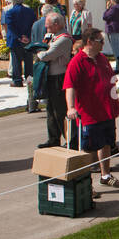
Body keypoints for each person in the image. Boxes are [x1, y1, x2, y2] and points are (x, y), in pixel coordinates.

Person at [64, 27, 119, 189]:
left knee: (106, 144)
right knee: (88, 149)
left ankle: (105, 175)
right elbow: (70, 86)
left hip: (106, 111)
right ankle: (86, 185)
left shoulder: (102, 58)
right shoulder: (77, 62)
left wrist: (116, 101)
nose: (103, 44)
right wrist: (71, 107)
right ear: (89, 42)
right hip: (89, 114)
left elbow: (112, 79)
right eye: (100, 41)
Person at [36, 11, 74, 148]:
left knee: (60, 110)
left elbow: (48, 55)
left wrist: (39, 53)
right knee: (51, 109)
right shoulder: (54, 37)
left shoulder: (64, 39)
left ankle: (70, 139)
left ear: (57, 25)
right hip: (52, 77)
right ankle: (53, 138)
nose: (47, 29)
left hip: (60, 77)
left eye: (48, 26)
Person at [2, 0, 36, 87]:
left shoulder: (9, 12)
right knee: (28, 59)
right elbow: (33, 24)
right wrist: (27, 37)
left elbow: (11, 27)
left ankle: (17, 80)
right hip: (28, 39)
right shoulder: (30, 11)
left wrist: (20, 37)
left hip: (15, 39)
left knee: (16, 60)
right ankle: (30, 79)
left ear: (13, 1)